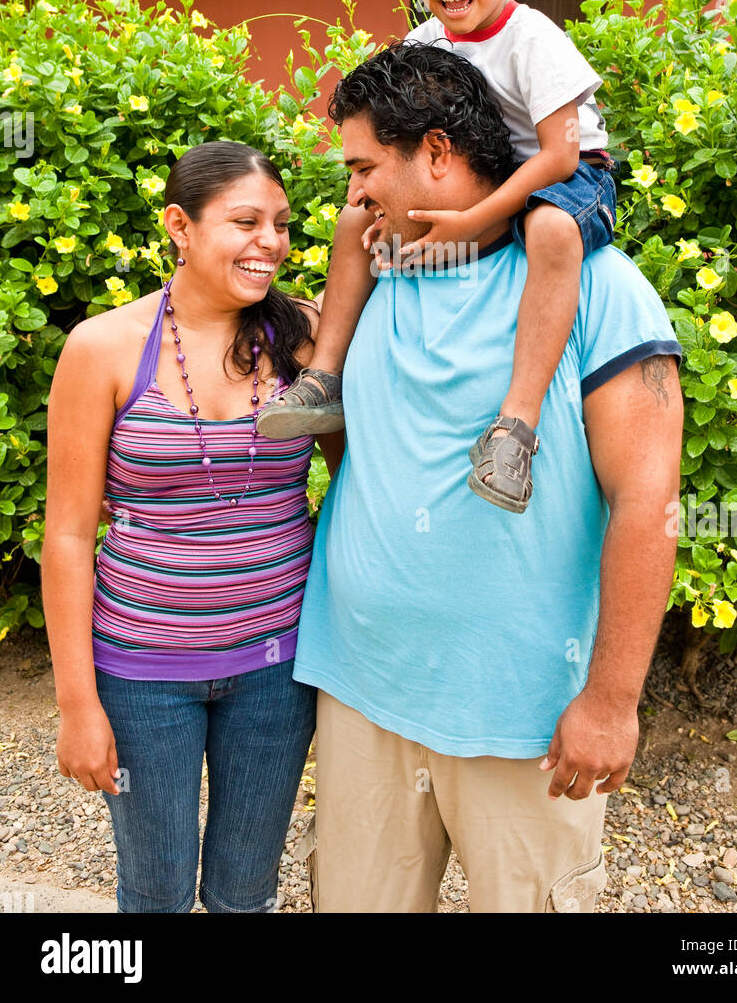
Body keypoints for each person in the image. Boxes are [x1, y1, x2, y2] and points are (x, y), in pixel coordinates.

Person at [290, 44, 683, 914]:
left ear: (435, 151)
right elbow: (349, 441)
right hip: (363, 692)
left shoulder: (594, 286)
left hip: (525, 716)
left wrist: (613, 701)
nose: (353, 195)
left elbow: (648, 503)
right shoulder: (378, 272)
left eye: (364, 168)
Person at [42, 141, 342, 914]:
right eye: (245, 221)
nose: (270, 241)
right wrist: (79, 706)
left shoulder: (301, 337)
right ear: (180, 225)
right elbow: (70, 536)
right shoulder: (102, 348)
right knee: (155, 893)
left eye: (280, 223)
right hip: (141, 675)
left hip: (277, 671)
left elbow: (356, 478)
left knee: (247, 893)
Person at [258, 0, 614, 514]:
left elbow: (560, 154)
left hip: (570, 175)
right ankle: (325, 375)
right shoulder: (424, 44)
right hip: (495, 178)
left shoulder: (534, 40)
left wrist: (475, 217)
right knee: (351, 221)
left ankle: (516, 428)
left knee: (551, 230)